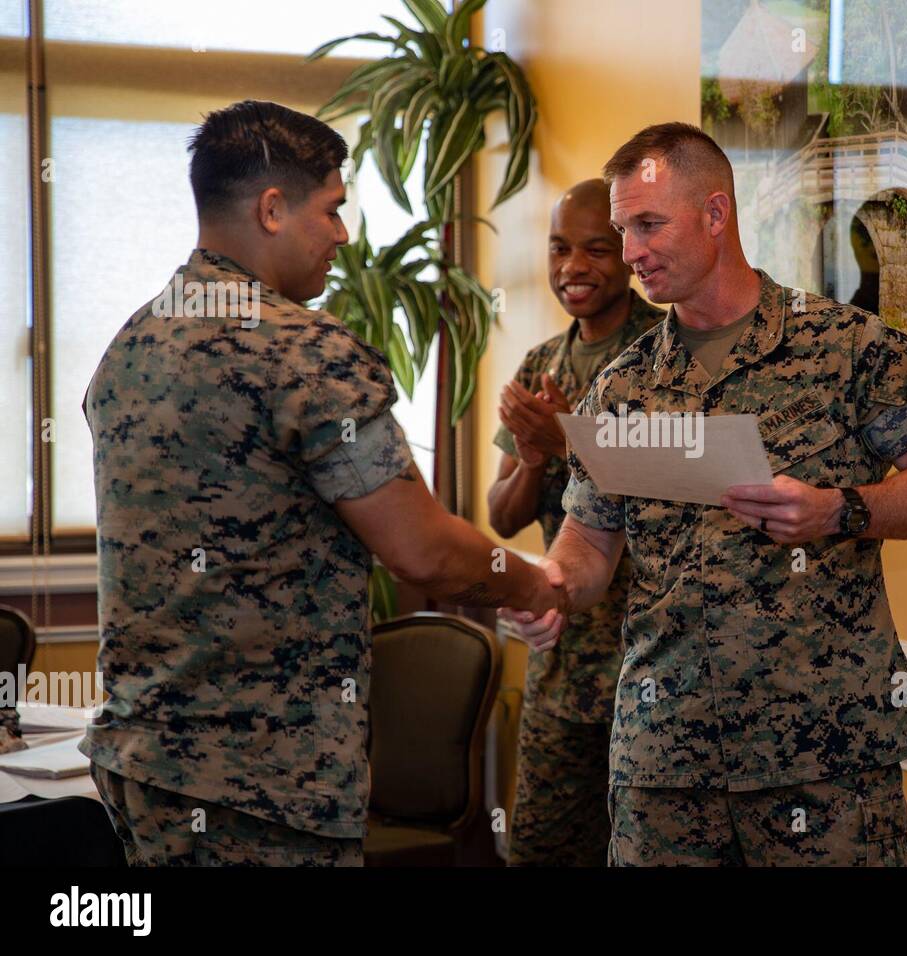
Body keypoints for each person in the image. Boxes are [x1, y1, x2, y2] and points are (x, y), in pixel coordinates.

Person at [80, 100, 564, 867]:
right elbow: (423, 552)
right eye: (333, 210)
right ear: (272, 209)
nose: (342, 235)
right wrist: (533, 582)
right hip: (264, 784)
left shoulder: (130, 346)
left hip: (142, 766)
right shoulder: (305, 350)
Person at [507, 122, 907, 866]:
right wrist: (555, 588)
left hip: (824, 761)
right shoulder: (623, 386)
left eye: (648, 225)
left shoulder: (846, 348)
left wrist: (842, 509)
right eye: (623, 229)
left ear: (717, 215)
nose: (630, 253)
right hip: (664, 762)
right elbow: (590, 539)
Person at [488, 180, 663, 866]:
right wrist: (533, 458)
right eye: (560, 249)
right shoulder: (542, 365)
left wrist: (569, 443)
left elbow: (682, 494)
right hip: (561, 664)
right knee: (540, 849)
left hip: (649, 671)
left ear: (626, 252)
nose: (572, 267)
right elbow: (503, 515)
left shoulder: (665, 356)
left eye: (595, 248)